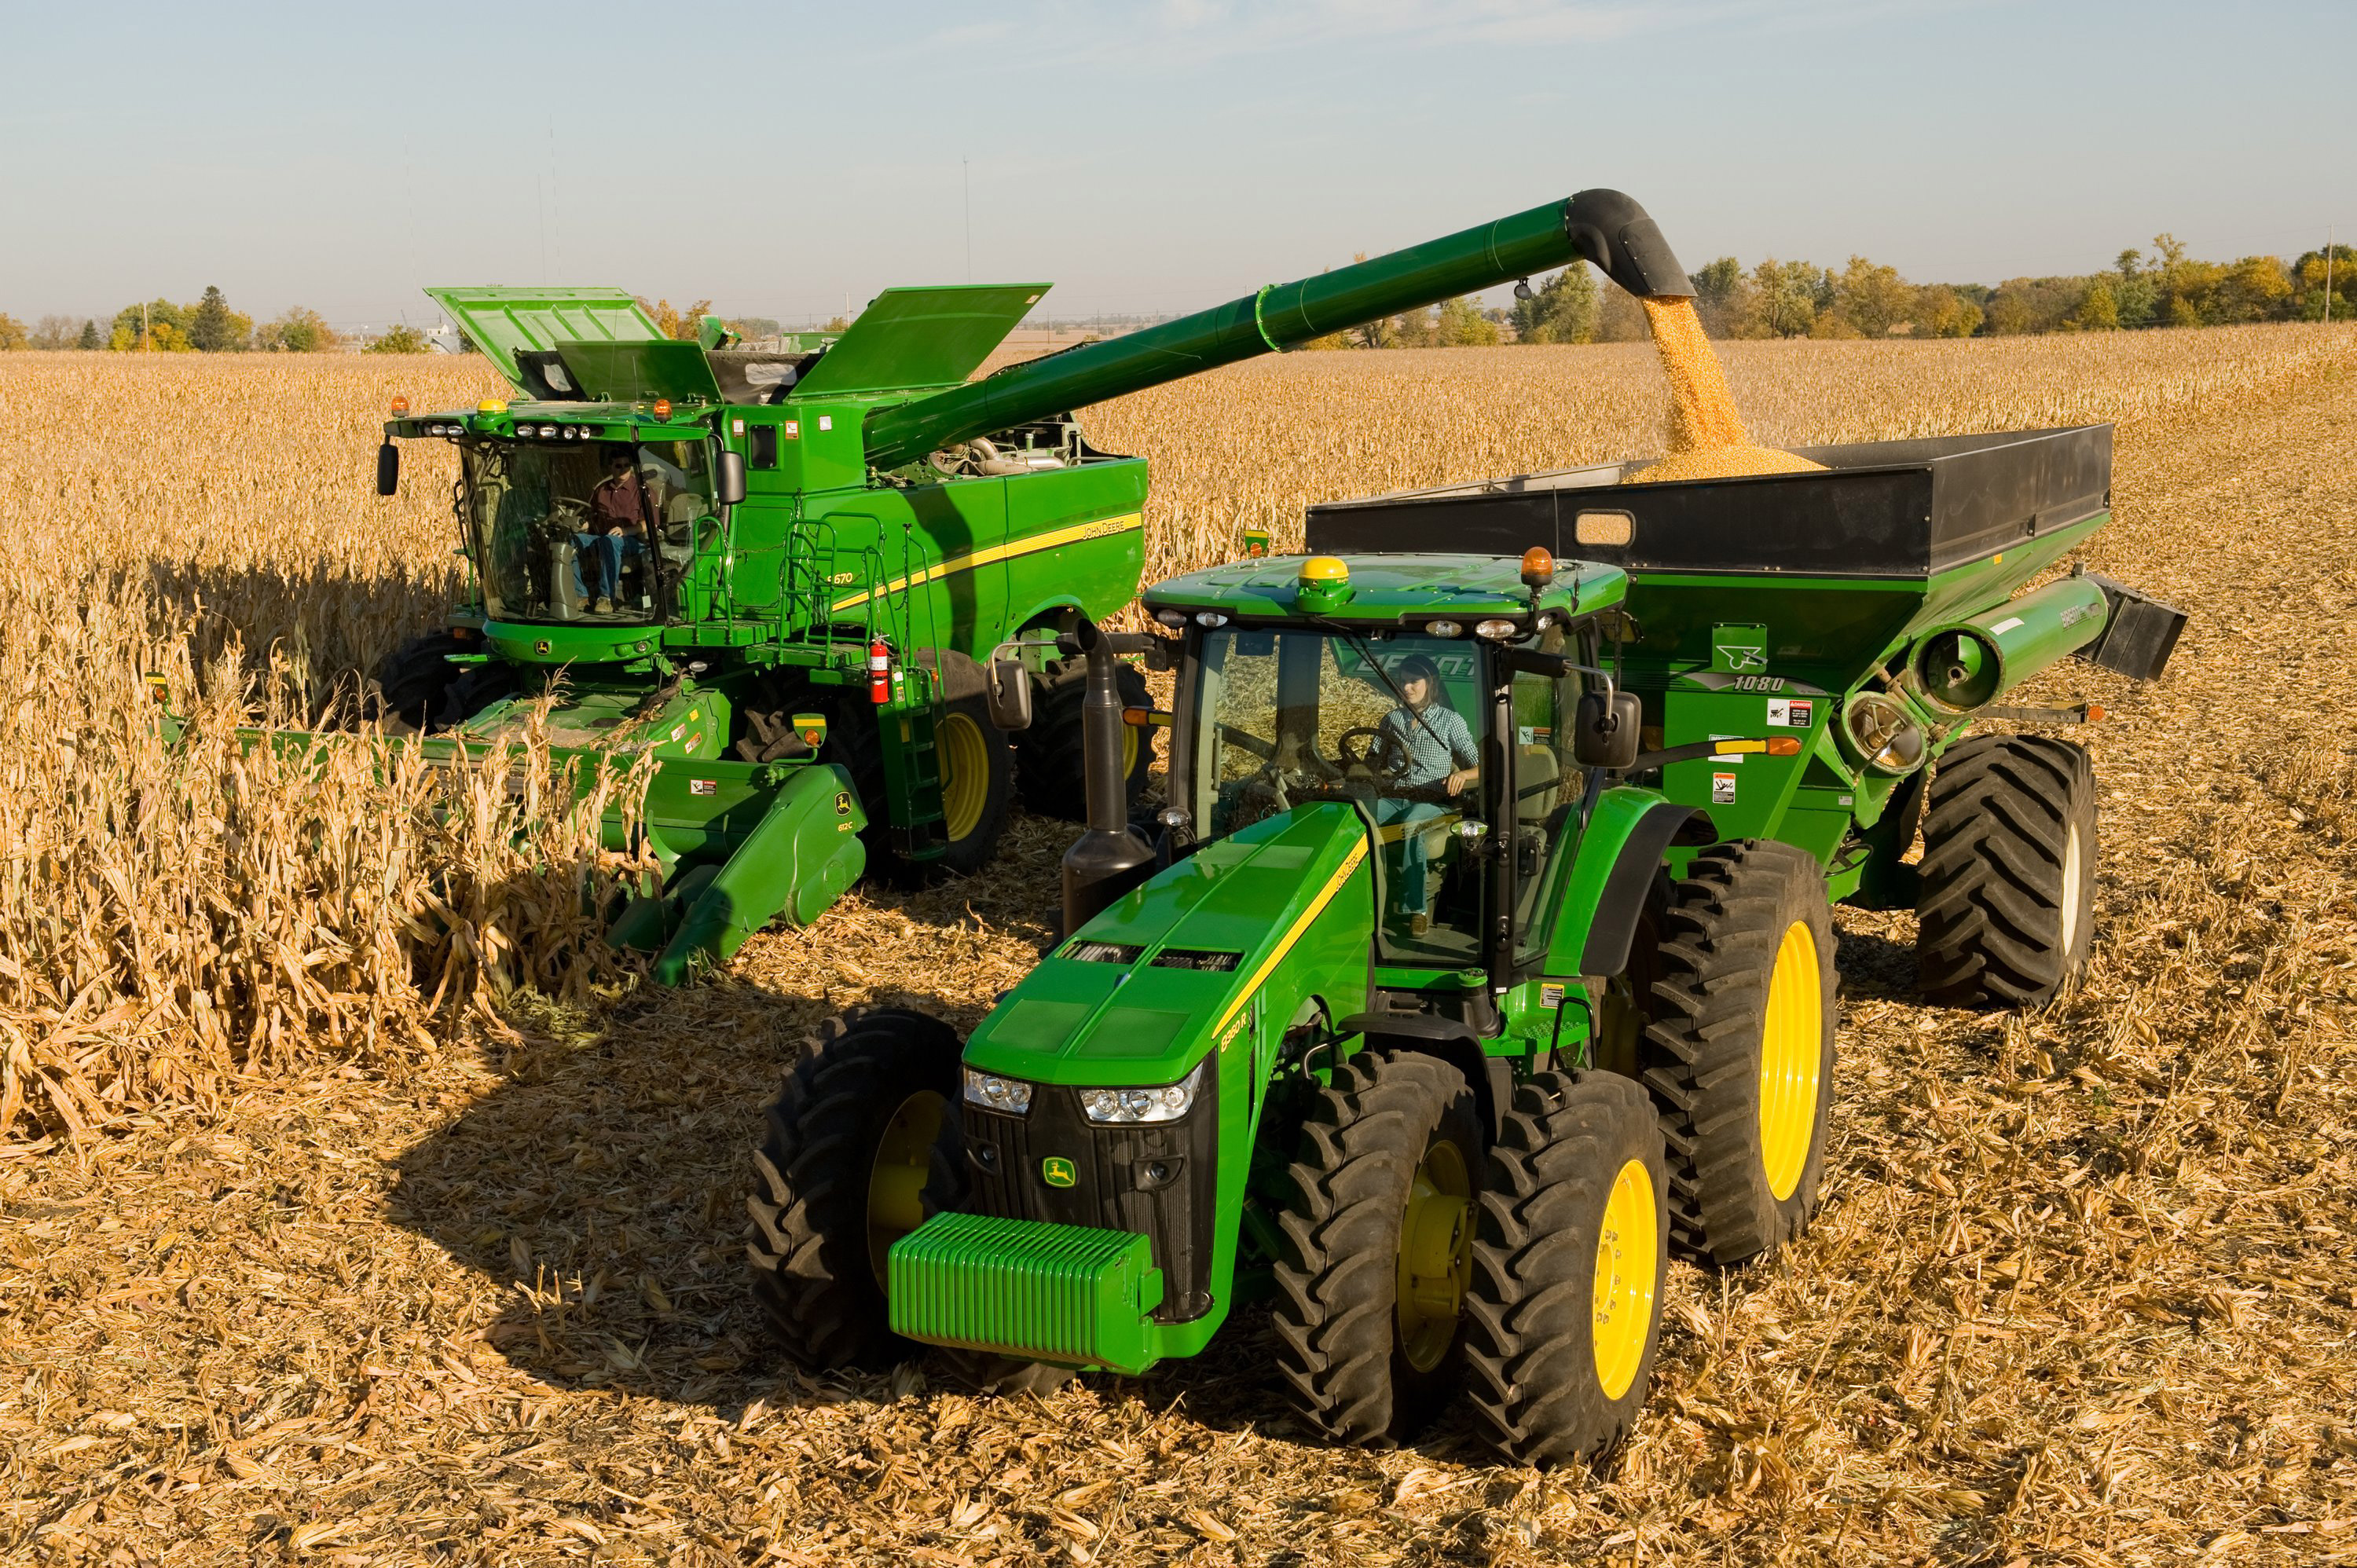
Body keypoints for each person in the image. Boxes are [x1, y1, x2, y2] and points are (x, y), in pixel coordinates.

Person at [1373, 654, 1479, 938]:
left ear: (1431, 683)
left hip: (1433, 802)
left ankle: (1416, 911)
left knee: (1411, 824)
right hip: (1395, 797)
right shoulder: (1392, 719)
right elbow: (1373, 759)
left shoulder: (1449, 721)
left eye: (1413, 681)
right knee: (1355, 817)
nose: (1407, 688)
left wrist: (1462, 775)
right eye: (1403, 681)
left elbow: (1482, 767)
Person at [576, 450, 649, 614]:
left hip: (632, 542)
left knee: (610, 541)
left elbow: (648, 524)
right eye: (618, 465)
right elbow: (592, 517)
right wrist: (581, 525)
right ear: (611, 467)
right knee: (571, 540)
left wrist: (625, 530)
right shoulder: (601, 490)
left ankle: (606, 598)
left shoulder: (642, 490)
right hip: (602, 538)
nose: (623, 469)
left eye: (626, 465)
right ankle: (580, 595)